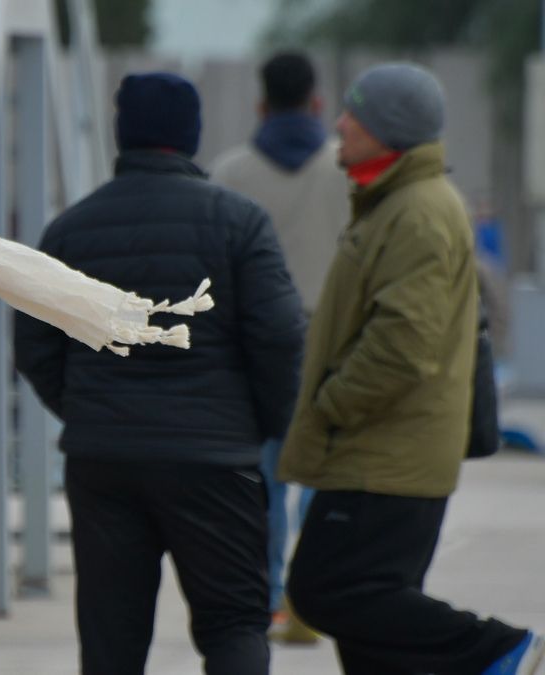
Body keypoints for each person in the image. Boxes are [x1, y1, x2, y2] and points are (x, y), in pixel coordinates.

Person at [14, 72, 305, 675]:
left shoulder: (69, 231)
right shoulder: (240, 222)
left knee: (111, 641)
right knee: (233, 626)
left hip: (104, 461)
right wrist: (264, 425)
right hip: (215, 459)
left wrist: (88, 409)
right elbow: (279, 337)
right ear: (191, 135)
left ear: (123, 136)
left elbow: (35, 343)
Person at [280, 62, 544, 675]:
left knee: (326, 591)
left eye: (356, 115)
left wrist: (331, 404)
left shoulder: (418, 211)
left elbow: (405, 342)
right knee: (373, 635)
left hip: (383, 455)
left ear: (389, 131)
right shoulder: (393, 202)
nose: (340, 124)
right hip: (382, 450)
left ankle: (500, 648)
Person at [210, 50, 348, 644]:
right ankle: (312, 597)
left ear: (260, 104)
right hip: (332, 341)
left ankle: (267, 601)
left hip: (256, 345)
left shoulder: (230, 173)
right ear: (318, 102)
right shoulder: (347, 168)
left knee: (265, 478)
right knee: (322, 475)